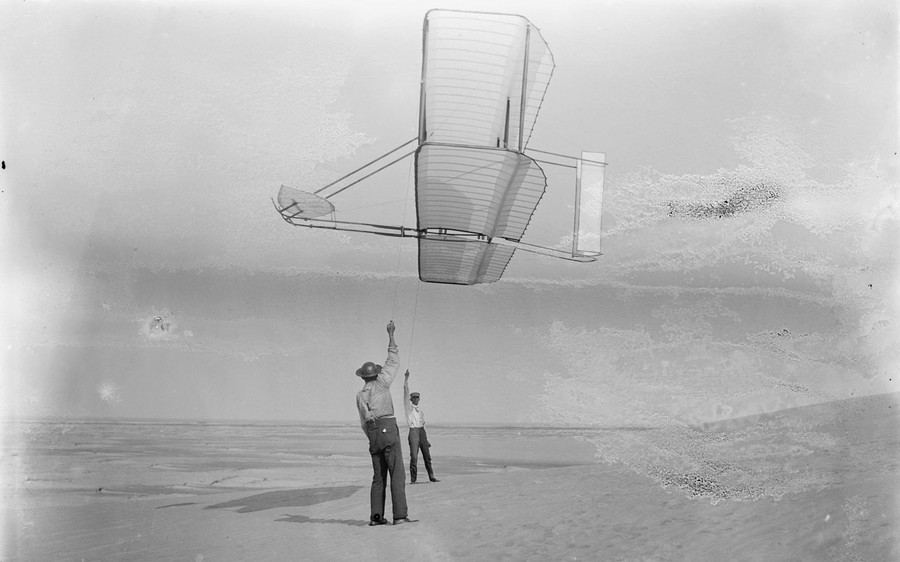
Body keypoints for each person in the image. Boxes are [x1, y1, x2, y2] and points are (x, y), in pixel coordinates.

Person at [355, 320, 414, 526]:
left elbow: (363, 422)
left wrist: (373, 435)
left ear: (363, 377)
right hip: (387, 428)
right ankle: (399, 516)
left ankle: (376, 518)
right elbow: (393, 361)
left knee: (378, 476)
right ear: (376, 374)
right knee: (396, 472)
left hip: (372, 433)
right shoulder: (381, 384)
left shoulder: (360, 395)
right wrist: (391, 335)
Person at [404, 370, 439, 484]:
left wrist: (426, 439)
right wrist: (406, 379)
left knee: (427, 456)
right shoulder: (408, 408)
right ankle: (413, 479)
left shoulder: (421, 411)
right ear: (411, 399)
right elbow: (405, 392)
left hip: (421, 432)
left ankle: (431, 476)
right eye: (414, 398)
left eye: (417, 398)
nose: (416, 399)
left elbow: (423, 426)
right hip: (413, 432)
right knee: (414, 457)